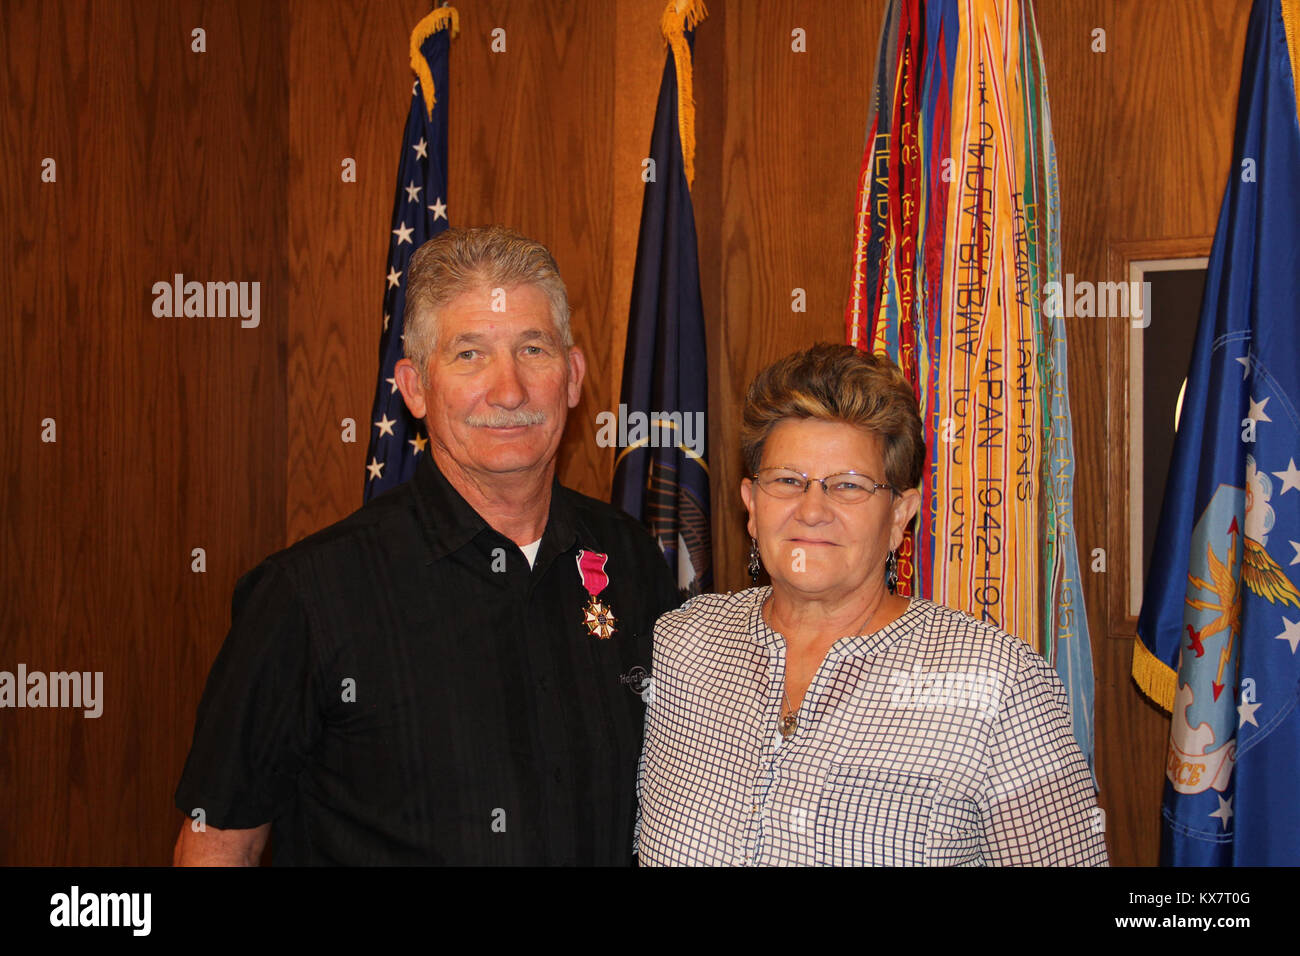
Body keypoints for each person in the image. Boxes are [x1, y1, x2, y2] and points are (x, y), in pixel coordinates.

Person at [174, 226, 680, 865]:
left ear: (574, 376)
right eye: (470, 354)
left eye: (533, 348)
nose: (509, 391)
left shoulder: (633, 562)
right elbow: (220, 844)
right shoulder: (307, 598)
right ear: (414, 388)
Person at [636, 343, 1108, 866]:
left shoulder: (997, 684)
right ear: (751, 505)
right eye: (788, 481)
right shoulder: (682, 645)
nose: (812, 510)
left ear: (900, 515)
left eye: (849, 486)